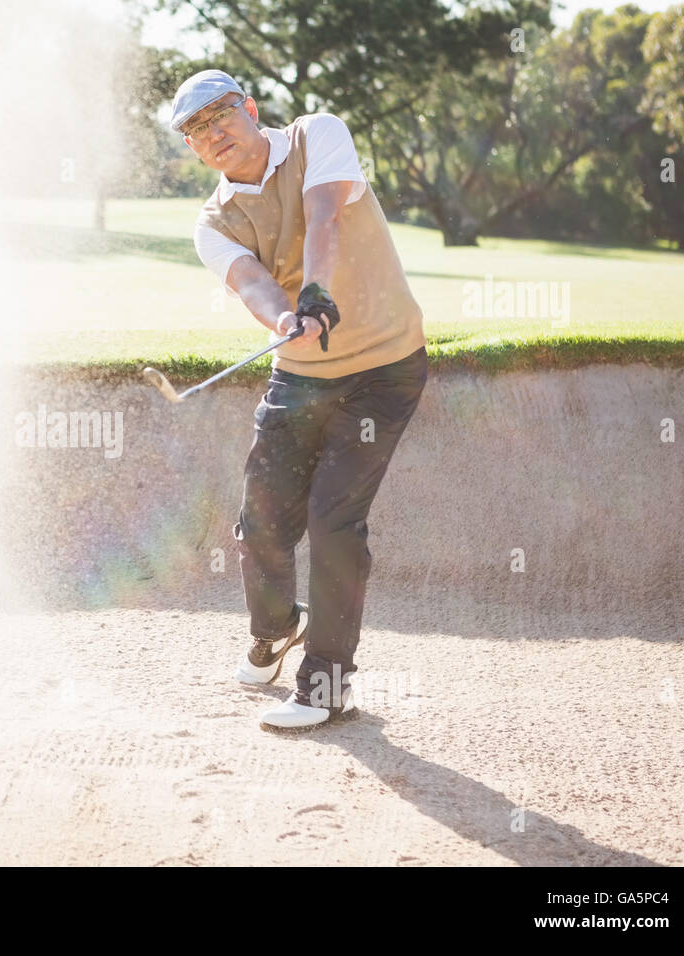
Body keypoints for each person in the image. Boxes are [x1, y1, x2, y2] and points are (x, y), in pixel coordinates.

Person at [170, 70, 429, 730]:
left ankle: (327, 683)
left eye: (220, 114)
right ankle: (278, 626)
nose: (212, 133)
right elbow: (253, 284)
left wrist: (315, 292)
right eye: (195, 130)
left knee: (333, 517)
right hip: (301, 373)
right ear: (193, 148)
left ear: (250, 109)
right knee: (261, 522)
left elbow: (322, 217)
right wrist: (285, 318)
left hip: (384, 367)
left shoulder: (318, 135)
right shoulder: (213, 224)